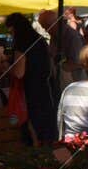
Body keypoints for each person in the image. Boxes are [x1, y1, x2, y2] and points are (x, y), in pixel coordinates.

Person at [7, 13, 59, 145]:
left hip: (31, 90)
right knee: (47, 125)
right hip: (47, 87)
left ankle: (36, 153)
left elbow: (19, 72)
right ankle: (48, 152)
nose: (11, 34)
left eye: (11, 31)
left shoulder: (22, 42)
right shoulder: (39, 39)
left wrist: (5, 68)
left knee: (33, 124)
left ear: (15, 28)